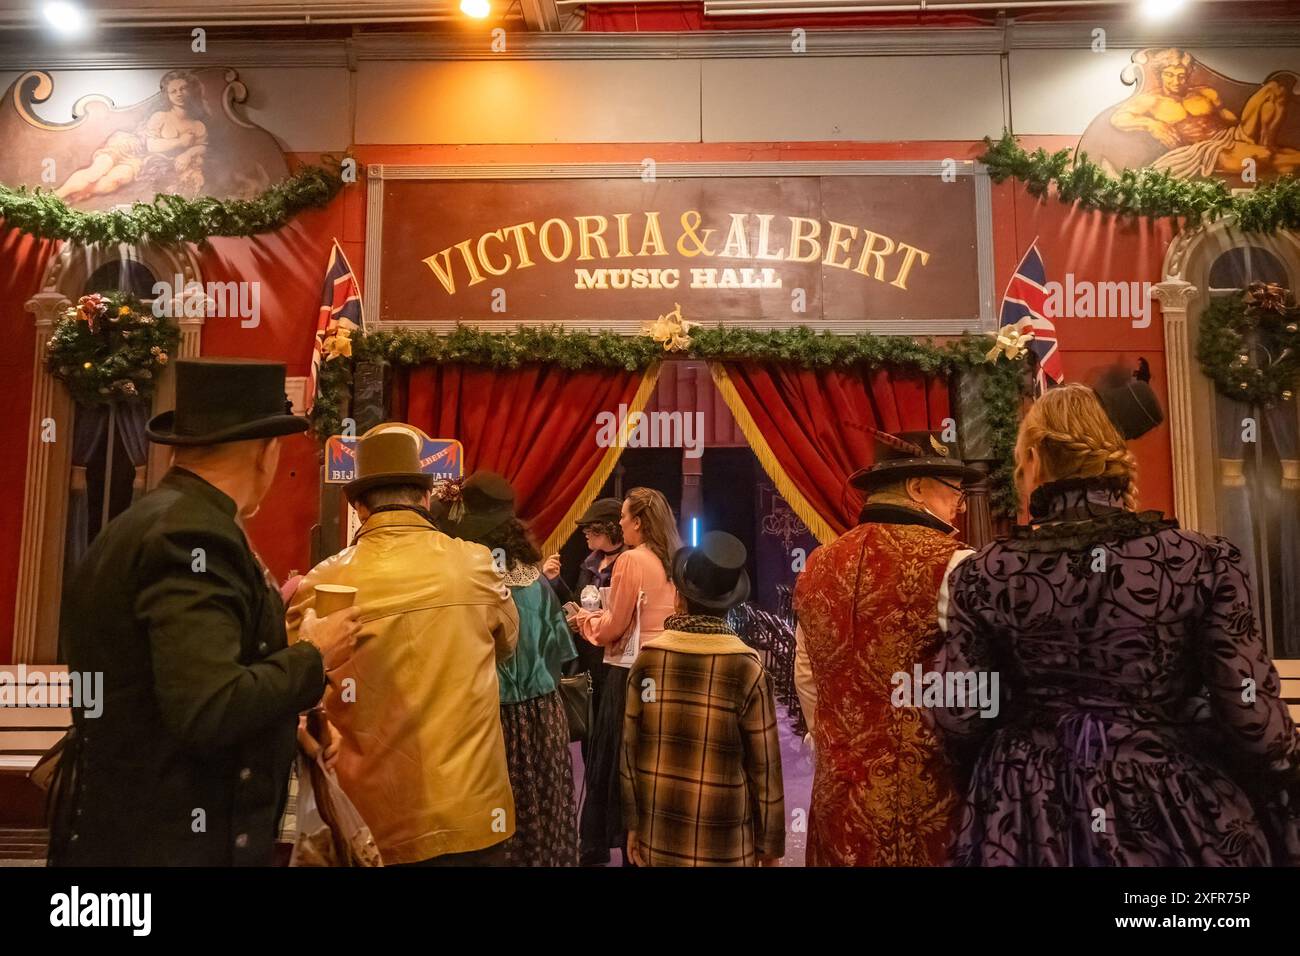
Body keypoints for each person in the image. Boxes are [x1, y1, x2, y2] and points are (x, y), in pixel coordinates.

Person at [935, 384, 1300, 866]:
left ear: (1034, 461)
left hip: (1025, 808)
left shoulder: (985, 573)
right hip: (1170, 797)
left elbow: (958, 716)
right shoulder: (1203, 560)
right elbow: (1254, 720)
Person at [48, 358, 361, 866]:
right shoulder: (192, 534)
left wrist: (287, 727)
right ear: (264, 451)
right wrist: (314, 656)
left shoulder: (150, 520)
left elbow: (172, 688)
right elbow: (208, 708)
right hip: (170, 846)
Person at [286, 428, 520, 867]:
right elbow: (507, 645)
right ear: (425, 497)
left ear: (358, 507)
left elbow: (292, 686)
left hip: (370, 823)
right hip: (472, 812)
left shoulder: (323, 581)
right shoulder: (475, 565)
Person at [792, 429, 979, 867]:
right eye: (955, 492)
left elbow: (806, 674)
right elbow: (973, 687)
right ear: (916, 488)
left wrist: (837, 741)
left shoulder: (818, 562)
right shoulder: (957, 563)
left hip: (838, 788)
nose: (959, 505)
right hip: (927, 792)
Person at [622, 531, 785, 867]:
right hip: (726, 843)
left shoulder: (648, 660)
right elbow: (765, 769)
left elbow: (629, 754)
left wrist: (634, 823)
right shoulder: (746, 667)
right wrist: (769, 846)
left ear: (680, 597)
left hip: (660, 834)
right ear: (731, 605)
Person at [442, 471, 580, 867]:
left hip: (486, 716)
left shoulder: (468, 581)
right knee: (541, 815)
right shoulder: (535, 580)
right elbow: (558, 654)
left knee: (492, 827)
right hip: (542, 716)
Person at [569, 487, 680, 865]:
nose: (619, 522)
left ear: (637, 522)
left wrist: (584, 620)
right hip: (664, 672)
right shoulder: (675, 558)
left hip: (626, 675)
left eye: (624, 516)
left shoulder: (632, 560)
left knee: (615, 765)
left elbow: (614, 627)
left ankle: (613, 843)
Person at [541, 496, 627, 756]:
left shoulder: (628, 564)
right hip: (588, 659)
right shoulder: (589, 564)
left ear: (609, 529)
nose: (585, 534)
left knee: (610, 735)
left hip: (613, 661)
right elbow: (577, 604)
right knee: (589, 735)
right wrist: (555, 582)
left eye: (591, 528)